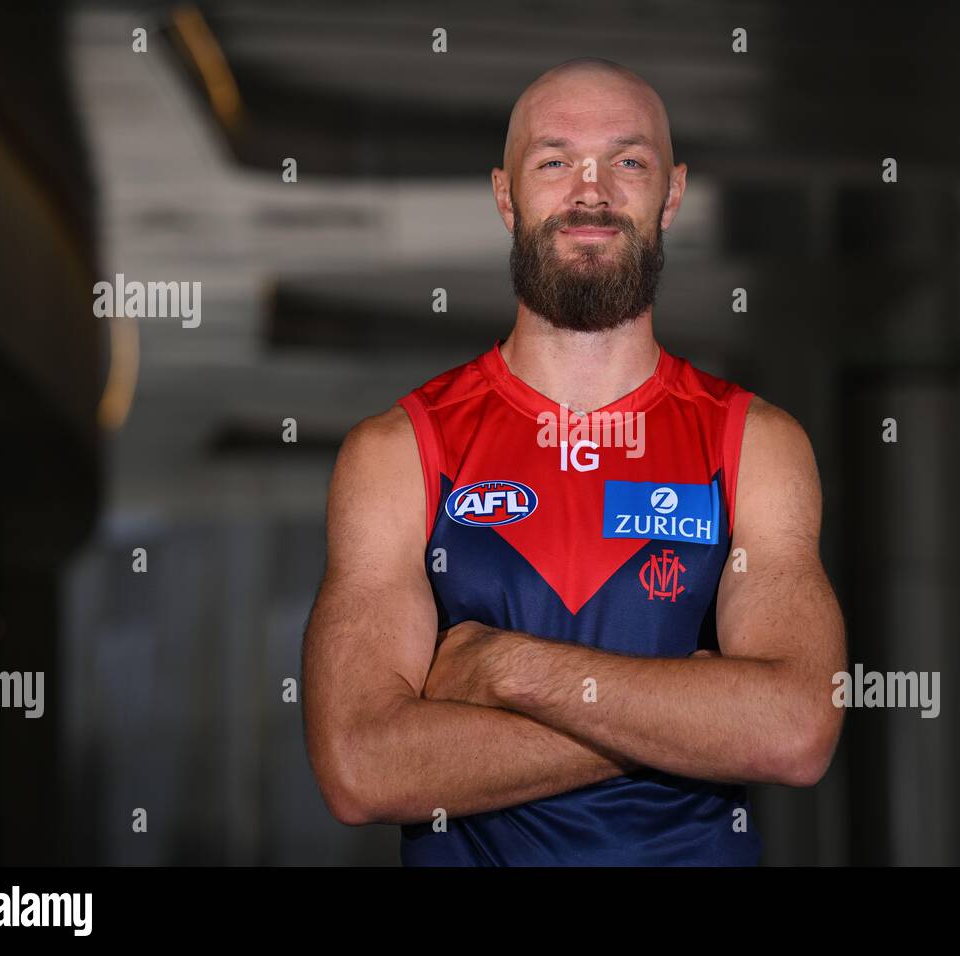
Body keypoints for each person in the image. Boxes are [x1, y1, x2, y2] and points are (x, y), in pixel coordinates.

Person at [302, 57, 847, 865]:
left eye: (628, 162)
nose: (591, 192)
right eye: (554, 161)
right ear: (504, 194)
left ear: (672, 194)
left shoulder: (753, 443)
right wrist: (690, 714)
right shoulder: (401, 454)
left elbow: (797, 728)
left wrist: (502, 670)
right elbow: (361, 768)